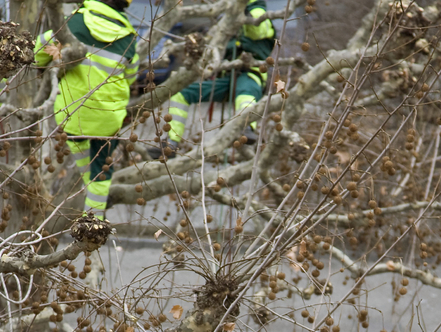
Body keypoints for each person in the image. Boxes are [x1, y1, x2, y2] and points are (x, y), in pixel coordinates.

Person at [34, 0, 140, 220]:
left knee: (78, 144)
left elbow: (38, 52)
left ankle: (91, 196)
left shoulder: (74, 22)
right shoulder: (129, 38)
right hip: (109, 117)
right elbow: (132, 77)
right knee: (102, 173)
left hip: (73, 113)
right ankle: (94, 223)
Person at [153, 0, 275, 156]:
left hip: (250, 74)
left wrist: (244, 12)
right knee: (181, 93)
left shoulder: (258, 13)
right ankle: (170, 143)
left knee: (246, 91)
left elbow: (258, 30)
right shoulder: (228, 19)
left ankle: (245, 126)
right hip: (226, 78)